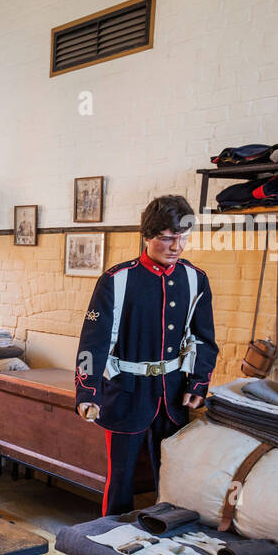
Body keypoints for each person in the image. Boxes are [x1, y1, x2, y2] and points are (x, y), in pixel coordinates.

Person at [74, 195, 218, 516]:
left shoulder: (196, 279)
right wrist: (88, 391)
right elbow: (92, 343)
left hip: (174, 396)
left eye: (182, 238)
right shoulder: (117, 280)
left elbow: (204, 339)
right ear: (147, 237)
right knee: (121, 480)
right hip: (126, 395)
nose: (176, 246)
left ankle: (162, 544)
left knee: (173, 481)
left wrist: (198, 385)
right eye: (167, 238)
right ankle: (112, 552)